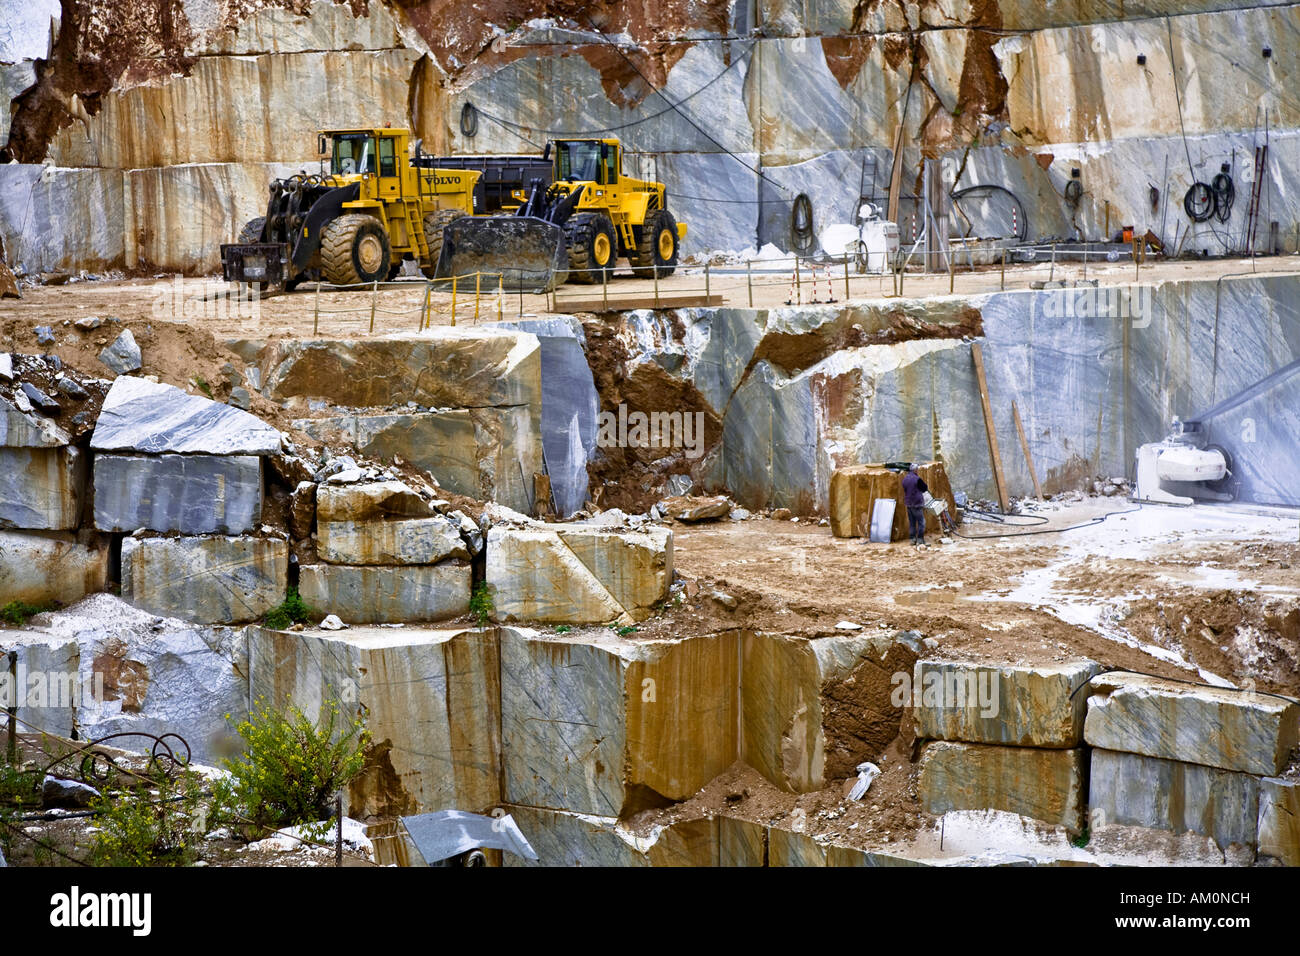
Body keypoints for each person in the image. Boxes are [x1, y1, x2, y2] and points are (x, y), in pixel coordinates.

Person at [901, 463, 929, 547]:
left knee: (912, 522)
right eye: (917, 469)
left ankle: (912, 539)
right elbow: (925, 488)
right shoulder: (917, 479)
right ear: (916, 470)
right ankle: (920, 539)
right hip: (917, 503)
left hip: (908, 504)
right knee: (921, 522)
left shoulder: (905, 479)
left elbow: (905, 489)